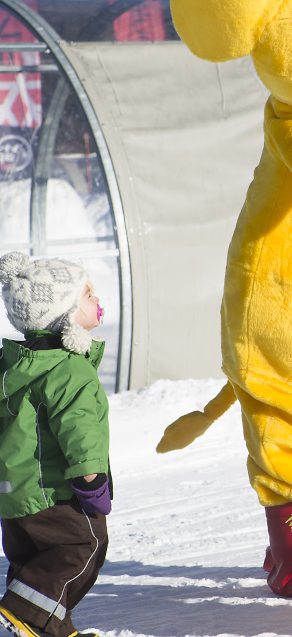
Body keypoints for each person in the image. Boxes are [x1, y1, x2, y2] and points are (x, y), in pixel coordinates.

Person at [0, 253, 111, 637]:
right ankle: (24, 612)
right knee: (85, 546)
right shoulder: (69, 369)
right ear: (64, 314)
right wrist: (92, 479)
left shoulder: (12, 365)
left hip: (13, 496)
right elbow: (79, 429)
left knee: (33, 563)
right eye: (88, 295)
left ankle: (49, 630)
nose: (98, 301)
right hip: (54, 493)